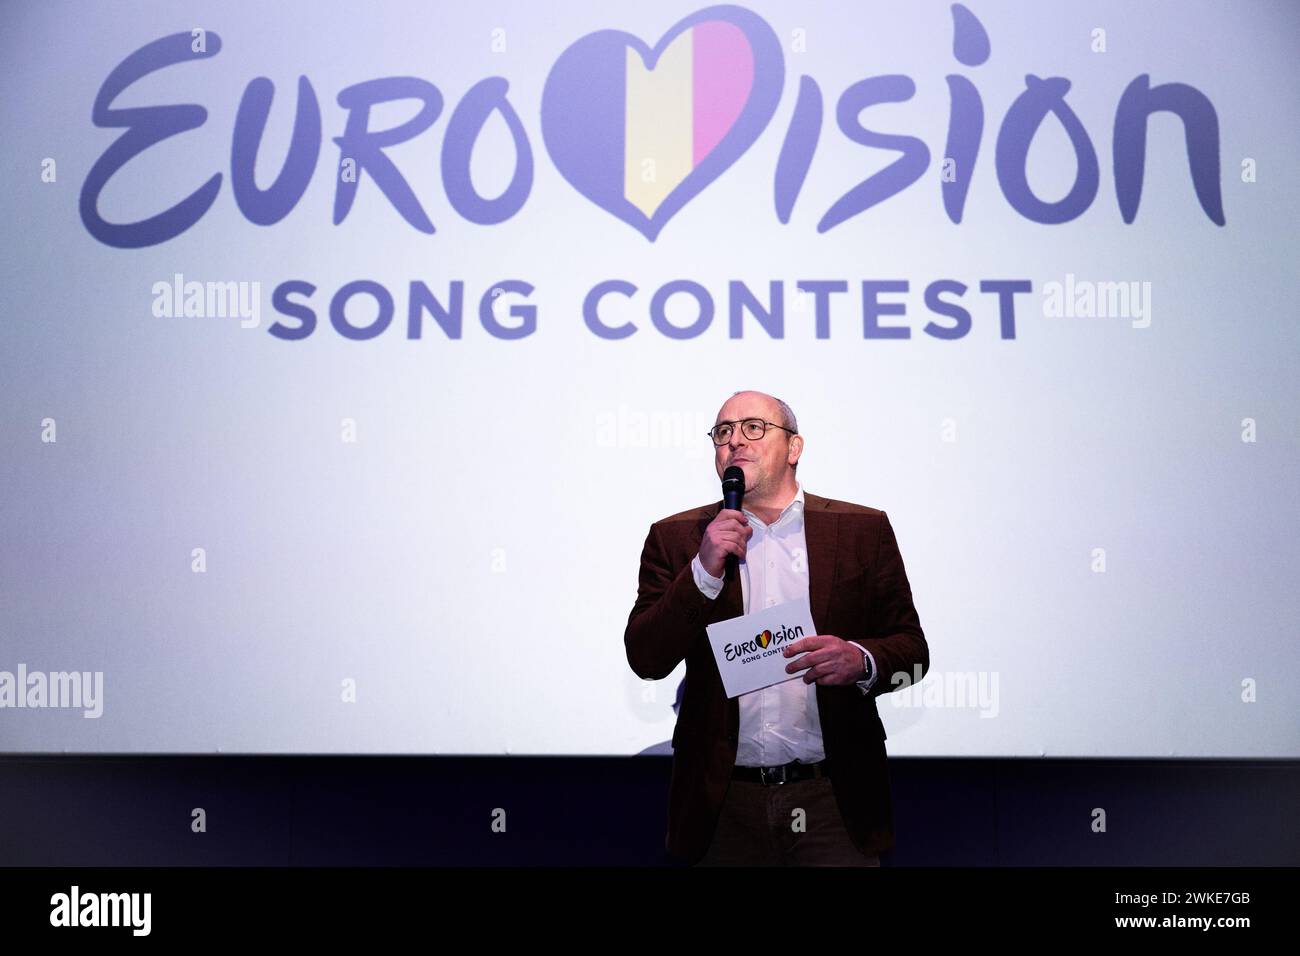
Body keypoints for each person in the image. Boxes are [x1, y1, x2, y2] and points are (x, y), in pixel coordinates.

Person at [624, 390, 929, 866]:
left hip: (833, 798)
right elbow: (645, 659)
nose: (734, 442)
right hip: (722, 805)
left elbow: (912, 653)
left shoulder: (862, 531)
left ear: (794, 448)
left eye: (753, 427)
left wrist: (861, 661)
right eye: (722, 432)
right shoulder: (678, 537)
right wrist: (702, 571)